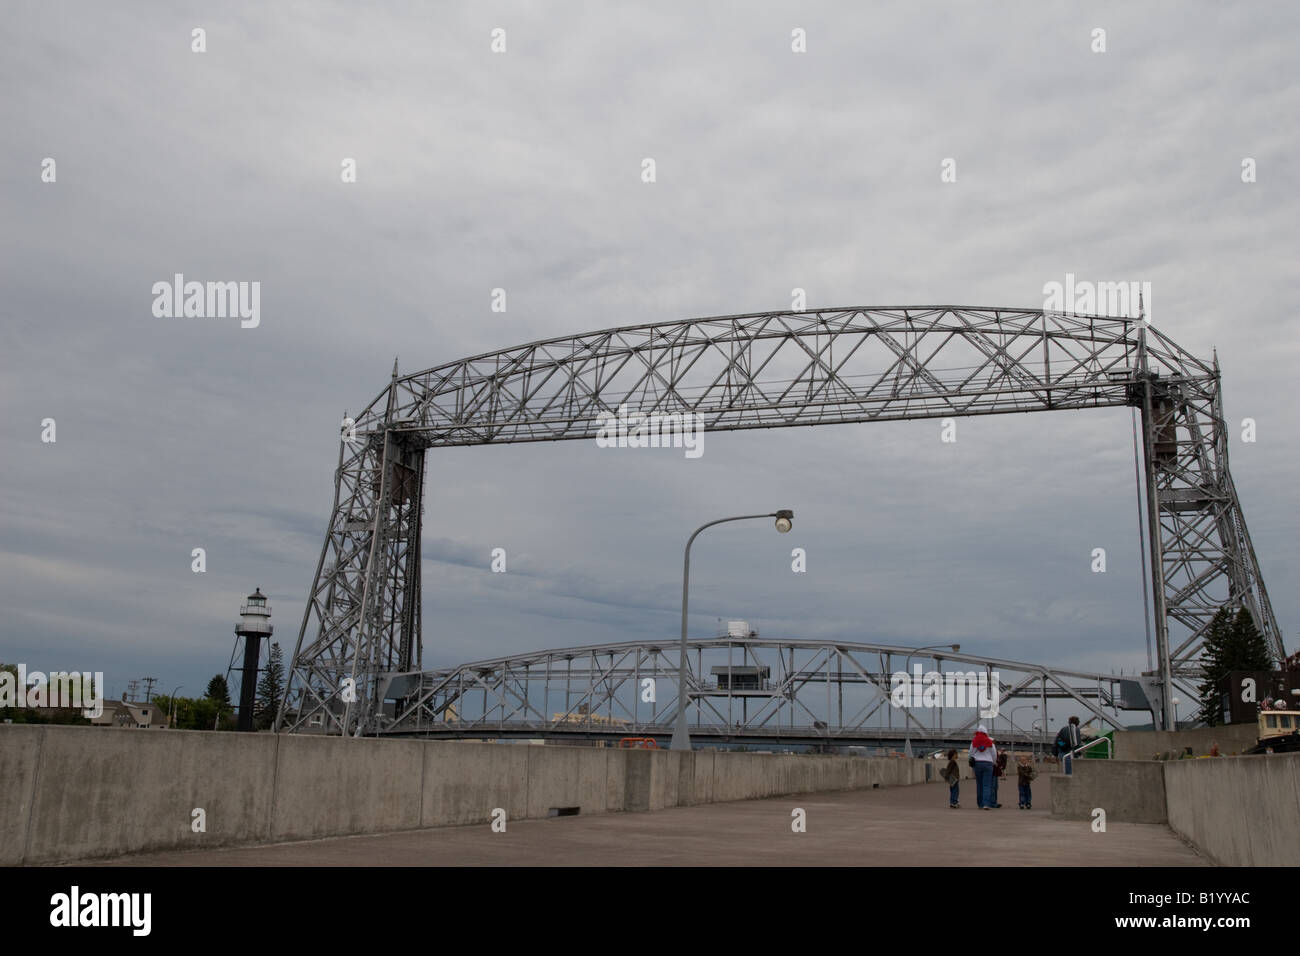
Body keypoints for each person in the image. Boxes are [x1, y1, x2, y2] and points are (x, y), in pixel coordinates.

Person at [969, 724, 998, 810]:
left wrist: (972, 760)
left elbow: (971, 753)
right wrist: (993, 762)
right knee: (987, 785)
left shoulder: (974, 741)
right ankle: (986, 804)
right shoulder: (990, 742)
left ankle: (980, 804)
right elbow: (994, 753)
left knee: (979, 784)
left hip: (977, 763)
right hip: (988, 763)